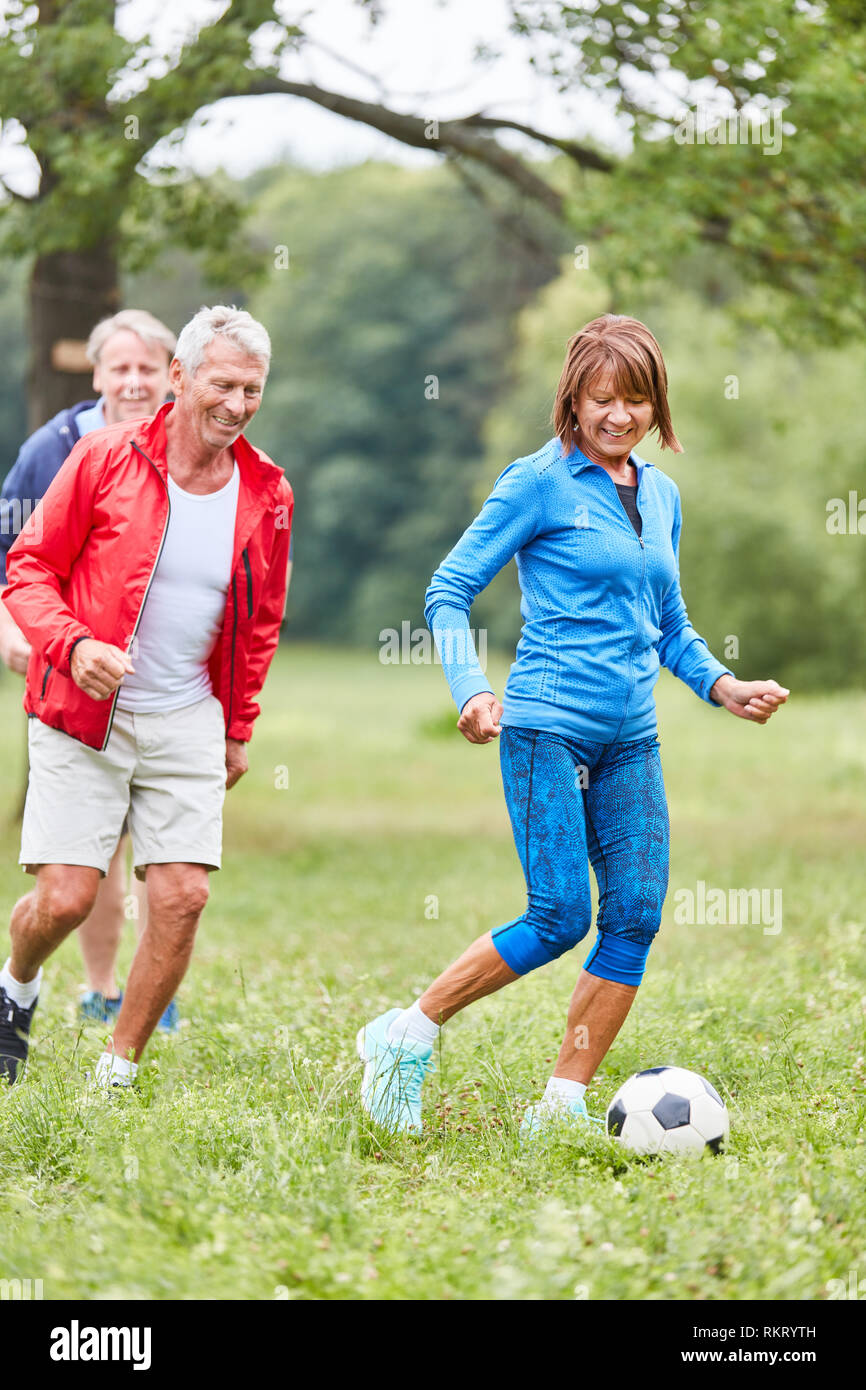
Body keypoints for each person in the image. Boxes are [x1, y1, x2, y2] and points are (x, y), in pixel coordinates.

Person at [357, 313, 789, 1137]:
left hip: (630, 737)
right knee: (558, 913)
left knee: (633, 911)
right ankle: (404, 1035)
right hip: (544, 727)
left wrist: (721, 685)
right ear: (573, 401)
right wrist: (470, 691)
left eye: (635, 400)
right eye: (602, 399)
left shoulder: (660, 495)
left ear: (656, 404)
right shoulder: (538, 482)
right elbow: (449, 589)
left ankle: (561, 1106)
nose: (618, 416)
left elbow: (668, 624)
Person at [0, 305, 293, 1087]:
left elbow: (261, 620)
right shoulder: (102, 459)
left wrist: (238, 729)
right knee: (63, 899)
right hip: (82, 711)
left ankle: (115, 1072)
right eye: (222, 385)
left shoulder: (268, 494)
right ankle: (15, 986)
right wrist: (73, 645)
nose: (236, 405)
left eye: (253, 390)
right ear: (180, 378)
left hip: (188, 714)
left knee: (183, 895)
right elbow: (26, 571)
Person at [0, 309, 181, 1030]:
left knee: (166, 849)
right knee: (96, 847)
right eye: (121, 369)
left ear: (171, 373)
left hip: (165, 677)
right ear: (98, 375)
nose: (134, 383)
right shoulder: (54, 449)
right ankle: (99, 986)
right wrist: (14, 632)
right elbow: (11, 553)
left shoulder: (194, 441)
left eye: (148, 369)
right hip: (78, 669)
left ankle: (142, 993)